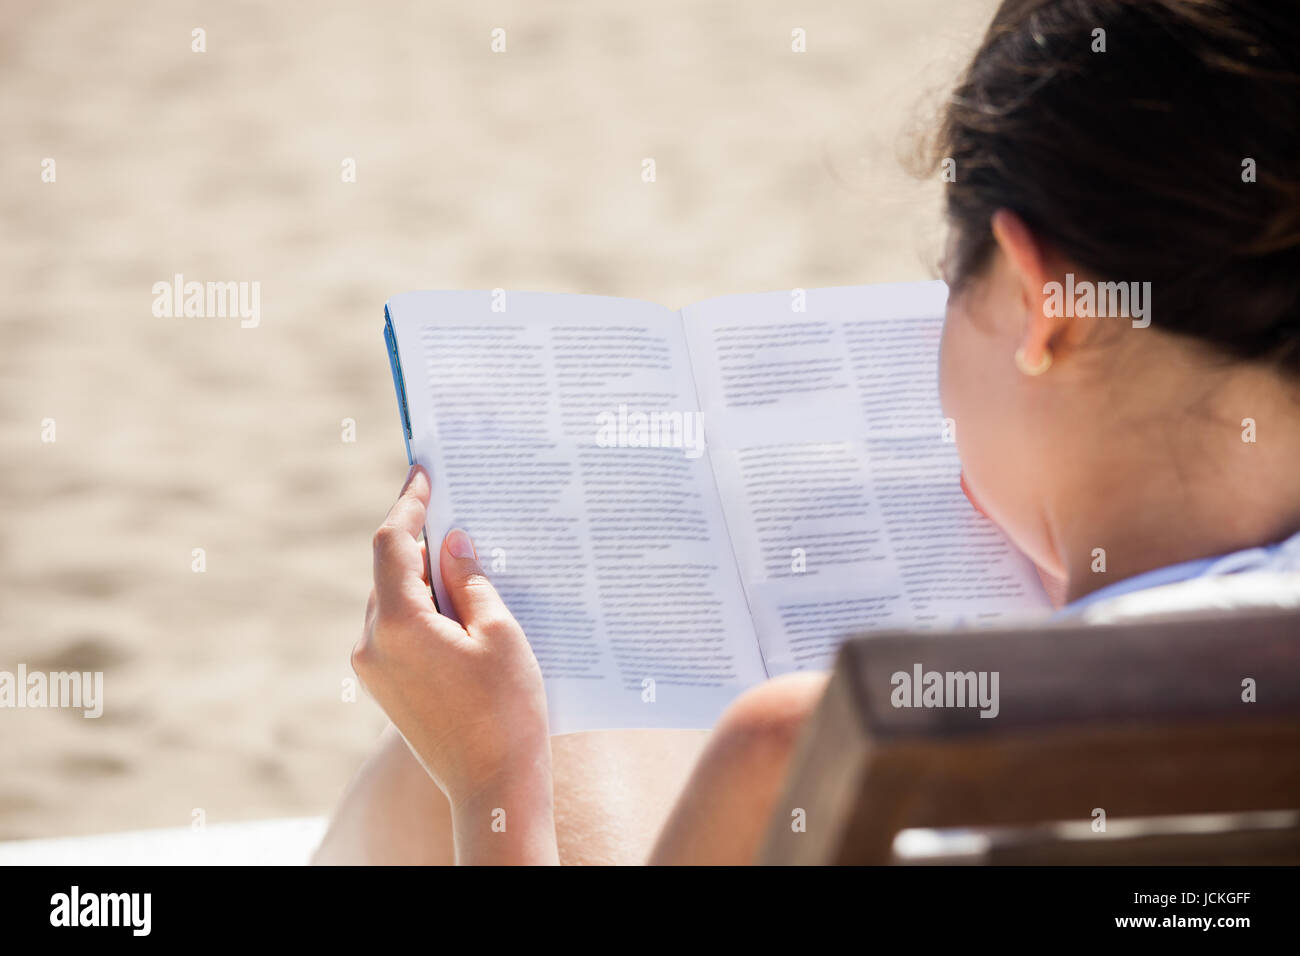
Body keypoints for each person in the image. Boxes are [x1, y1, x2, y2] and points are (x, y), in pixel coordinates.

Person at [314, 0, 1300, 865]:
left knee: (528, 749)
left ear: (1049, 310)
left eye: (955, 280)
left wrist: (493, 776)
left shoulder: (814, 744)